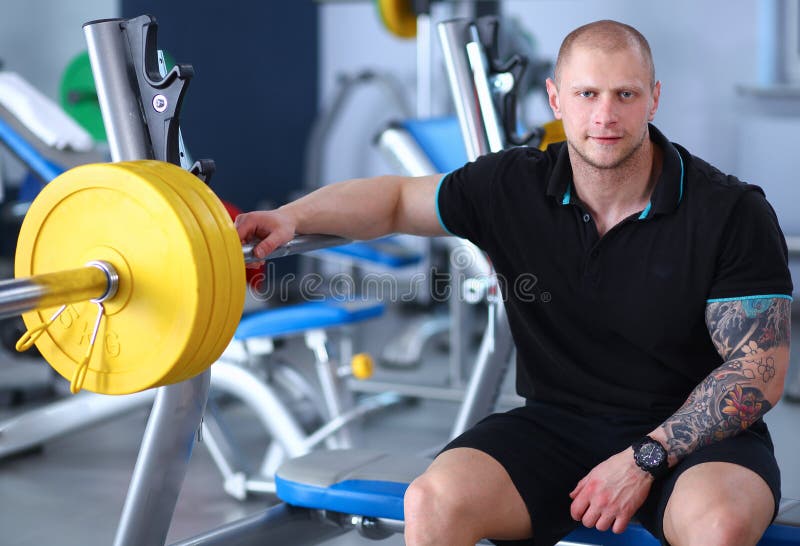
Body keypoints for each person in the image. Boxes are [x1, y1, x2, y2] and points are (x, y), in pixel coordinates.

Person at [235, 20, 792, 546]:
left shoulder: (728, 211)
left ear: (654, 97)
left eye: (625, 94)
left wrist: (644, 458)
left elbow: (757, 374)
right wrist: (292, 219)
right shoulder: (512, 184)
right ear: (555, 99)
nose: (605, 115)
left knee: (718, 524)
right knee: (433, 499)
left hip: (693, 441)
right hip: (557, 426)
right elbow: (395, 200)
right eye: (586, 94)